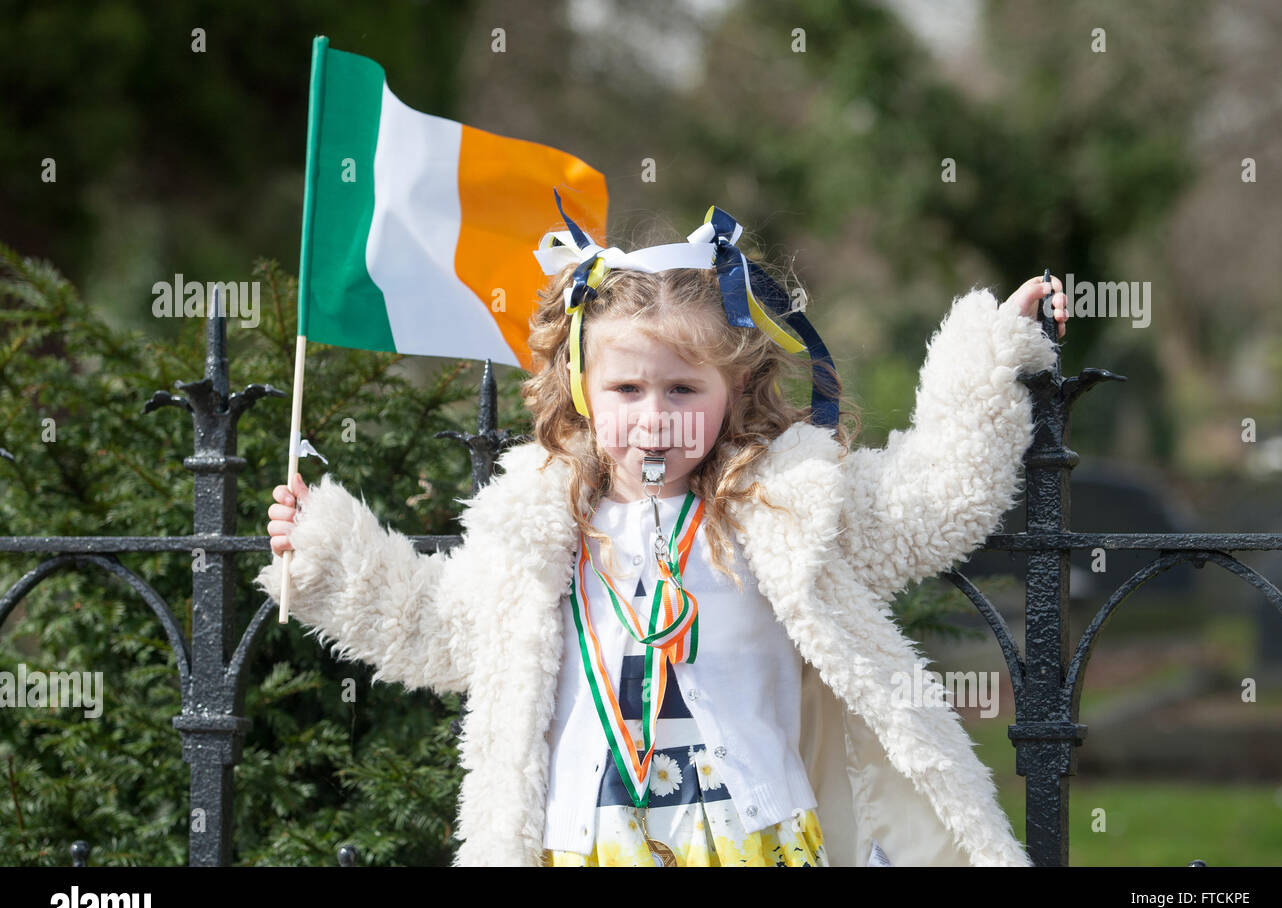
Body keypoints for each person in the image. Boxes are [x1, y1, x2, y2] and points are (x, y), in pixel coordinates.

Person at [258, 193, 1069, 867]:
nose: (654, 419)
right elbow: (437, 630)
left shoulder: (786, 501)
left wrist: (991, 353)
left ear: (735, 389)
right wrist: (326, 553)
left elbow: (932, 500)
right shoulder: (538, 523)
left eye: (683, 390)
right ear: (581, 389)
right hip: (583, 844)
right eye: (627, 389)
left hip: (757, 839)